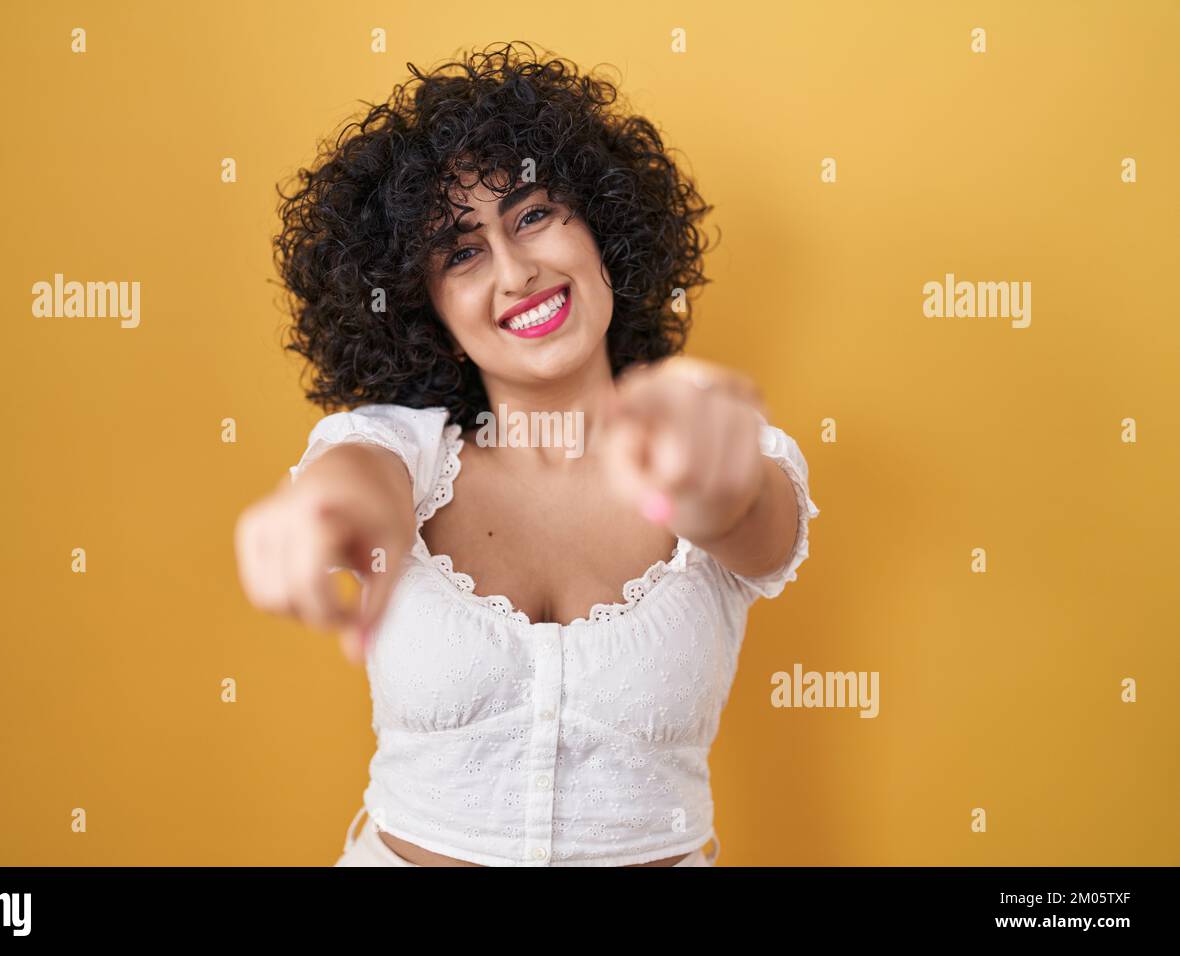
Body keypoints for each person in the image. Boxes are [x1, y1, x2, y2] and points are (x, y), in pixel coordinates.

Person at [234, 41, 819, 866]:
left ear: (602, 228)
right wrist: (318, 515)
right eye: (462, 252)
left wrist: (709, 486)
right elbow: (354, 489)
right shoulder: (404, 453)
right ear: (422, 306)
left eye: (534, 215)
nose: (516, 272)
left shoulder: (719, 444)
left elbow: (745, 512)